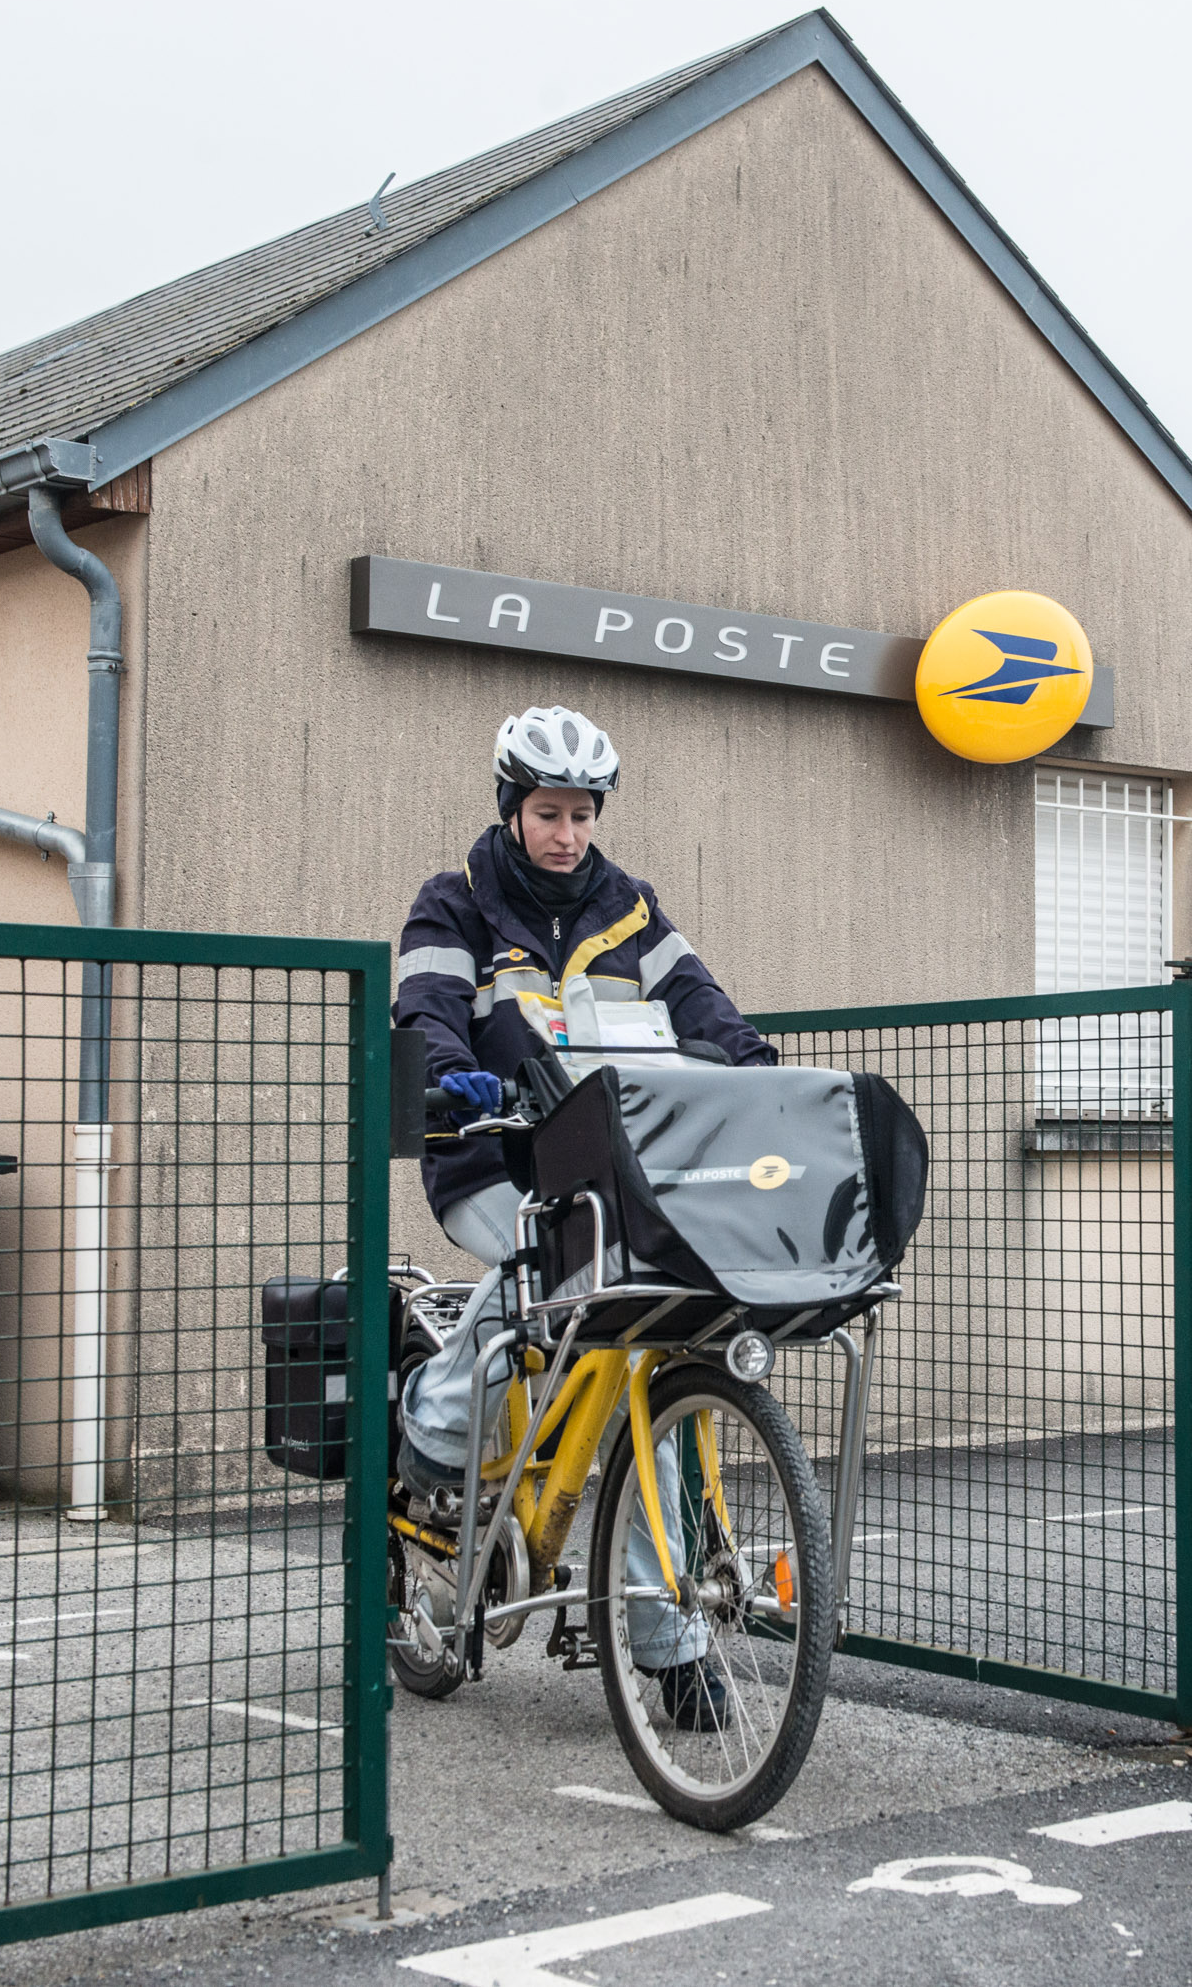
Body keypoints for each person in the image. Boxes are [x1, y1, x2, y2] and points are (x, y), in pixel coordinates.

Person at [390, 704, 775, 1725]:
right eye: (548, 812)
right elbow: (424, 1009)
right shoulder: (456, 903)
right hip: (492, 1158)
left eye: (582, 814)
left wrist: (748, 1059)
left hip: (608, 1168)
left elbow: (698, 1000)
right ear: (511, 808)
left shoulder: (629, 907)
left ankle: (669, 1642)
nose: (567, 834)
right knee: (532, 1255)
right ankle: (432, 1431)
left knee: (654, 1350)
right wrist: (453, 1074)